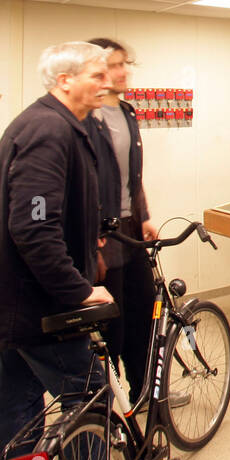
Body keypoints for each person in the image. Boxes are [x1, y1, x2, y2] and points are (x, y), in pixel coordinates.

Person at [0, 41, 114, 460]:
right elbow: (32, 224)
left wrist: (91, 242)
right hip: (39, 307)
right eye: (96, 75)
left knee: (15, 406)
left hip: (18, 305)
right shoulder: (49, 130)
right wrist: (80, 290)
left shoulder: (59, 124)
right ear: (64, 80)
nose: (106, 82)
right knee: (90, 396)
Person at [85, 37, 158, 403]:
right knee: (112, 322)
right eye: (114, 64)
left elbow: (133, 176)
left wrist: (143, 216)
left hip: (131, 231)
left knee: (144, 312)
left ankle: (144, 392)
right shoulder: (87, 118)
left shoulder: (127, 112)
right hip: (102, 236)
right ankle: (111, 404)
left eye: (124, 63)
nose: (122, 71)